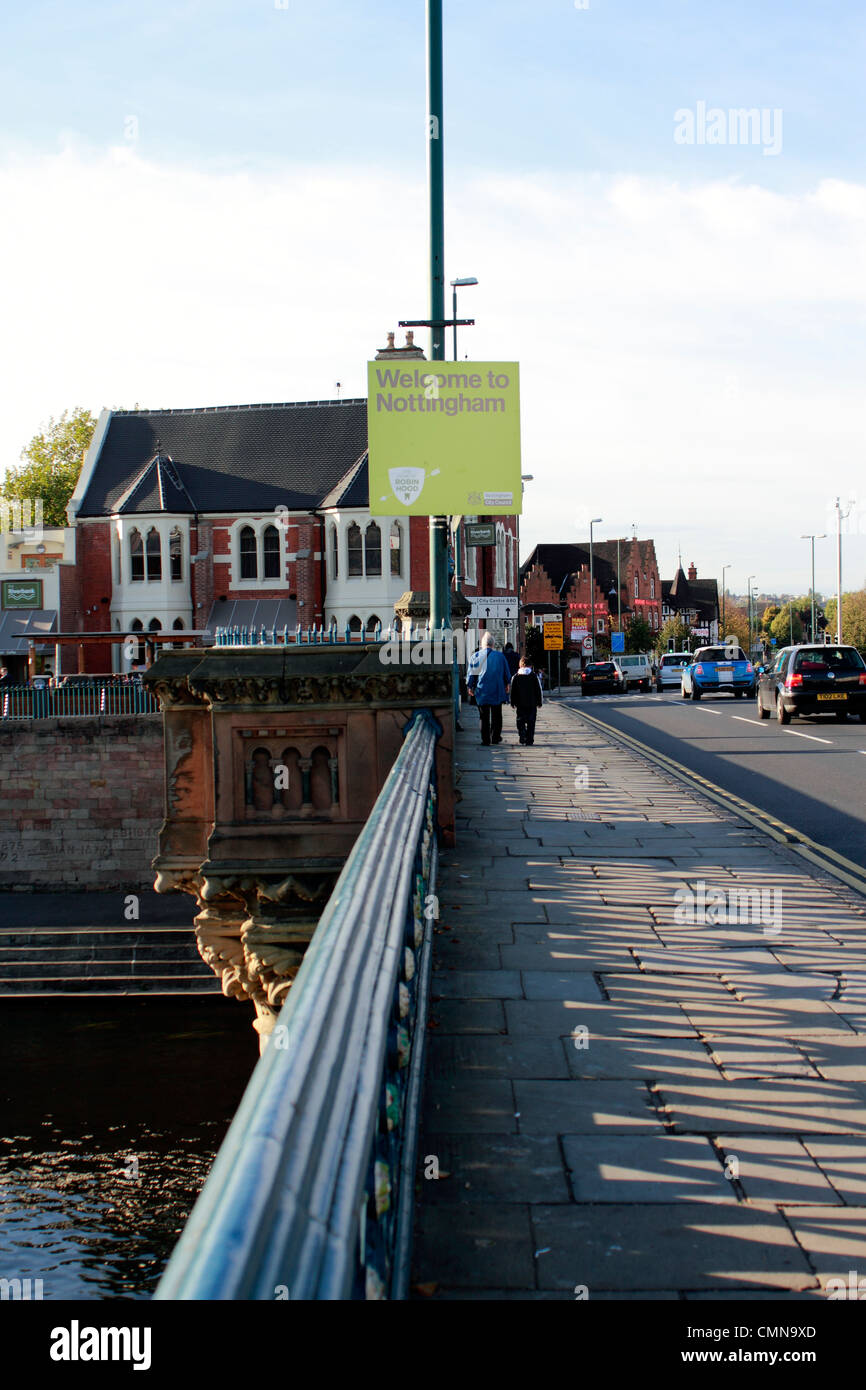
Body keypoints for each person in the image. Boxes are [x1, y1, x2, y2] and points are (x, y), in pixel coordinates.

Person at [466, 632, 511, 745]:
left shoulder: (475, 656)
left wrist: (470, 687)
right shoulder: (500, 656)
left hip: (482, 690)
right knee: (497, 715)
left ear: (482, 644)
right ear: (493, 644)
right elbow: (507, 673)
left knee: (483, 716)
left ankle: (485, 740)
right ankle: (495, 737)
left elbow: (472, 674)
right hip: (497, 689)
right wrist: (507, 685)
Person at [510, 655, 543, 745]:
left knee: (520, 720)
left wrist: (512, 702)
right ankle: (529, 739)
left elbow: (512, 691)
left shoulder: (515, 677)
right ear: (530, 666)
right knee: (531, 722)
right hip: (532, 704)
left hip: (520, 704)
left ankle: (522, 734)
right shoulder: (534, 676)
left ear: (520, 666)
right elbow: (538, 690)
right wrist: (540, 702)